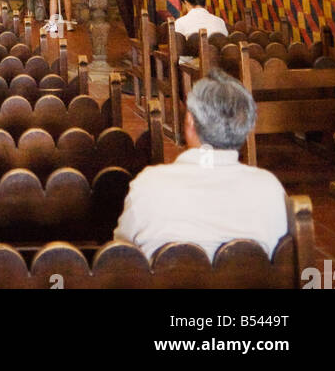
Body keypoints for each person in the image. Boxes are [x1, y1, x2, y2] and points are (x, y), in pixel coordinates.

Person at [114, 70, 288, 262]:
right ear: (247, 127)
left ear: (189, 120)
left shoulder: (148, 185)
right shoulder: (271, 190)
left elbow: (122, 259)